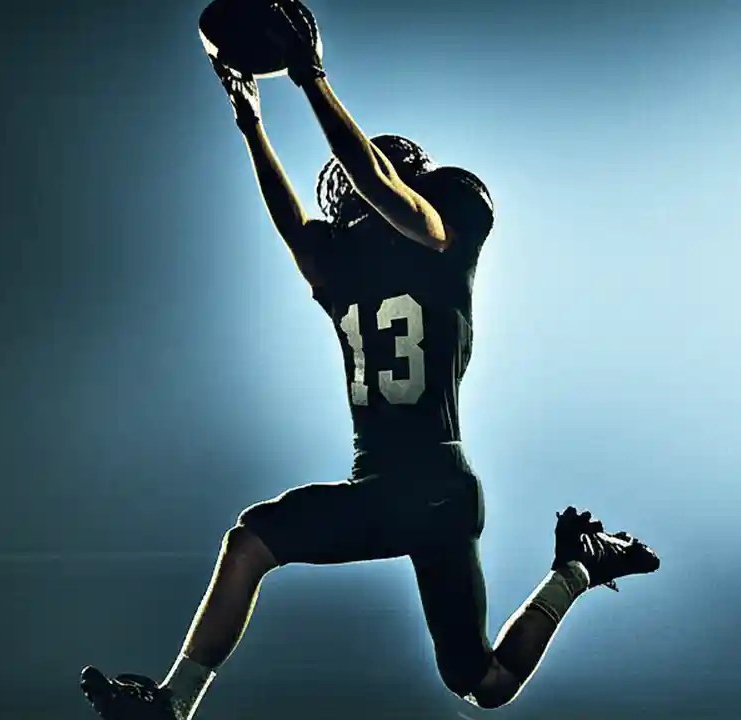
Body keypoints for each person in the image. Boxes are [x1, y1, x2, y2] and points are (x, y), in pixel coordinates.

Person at [80, 4, 660, 717]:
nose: (355, 199)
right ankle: (574, 571)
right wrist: (251, 125)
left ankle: (576, 569)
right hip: (396, 488)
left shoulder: (440, 229)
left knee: (267, 548)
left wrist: (312, 81)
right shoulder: (344, 267)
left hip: (431, 481)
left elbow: (388, 194)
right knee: (474, 678)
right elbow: (296, 228)